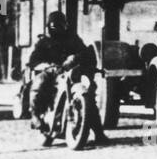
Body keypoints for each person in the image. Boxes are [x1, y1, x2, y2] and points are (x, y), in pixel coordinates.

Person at [26, 11, 108, 147]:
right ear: (48, 26)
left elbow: (84, 53)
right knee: (40, 82)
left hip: (70, 72)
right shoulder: (43, 42)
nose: (57, 28)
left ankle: (99, 133)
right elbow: (33, 61)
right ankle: (35, 116)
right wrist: (47, 66)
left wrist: (75, 58)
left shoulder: (73, 39)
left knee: (89, 97)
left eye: (60, 25)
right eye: (54, 26)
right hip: (51, 73)